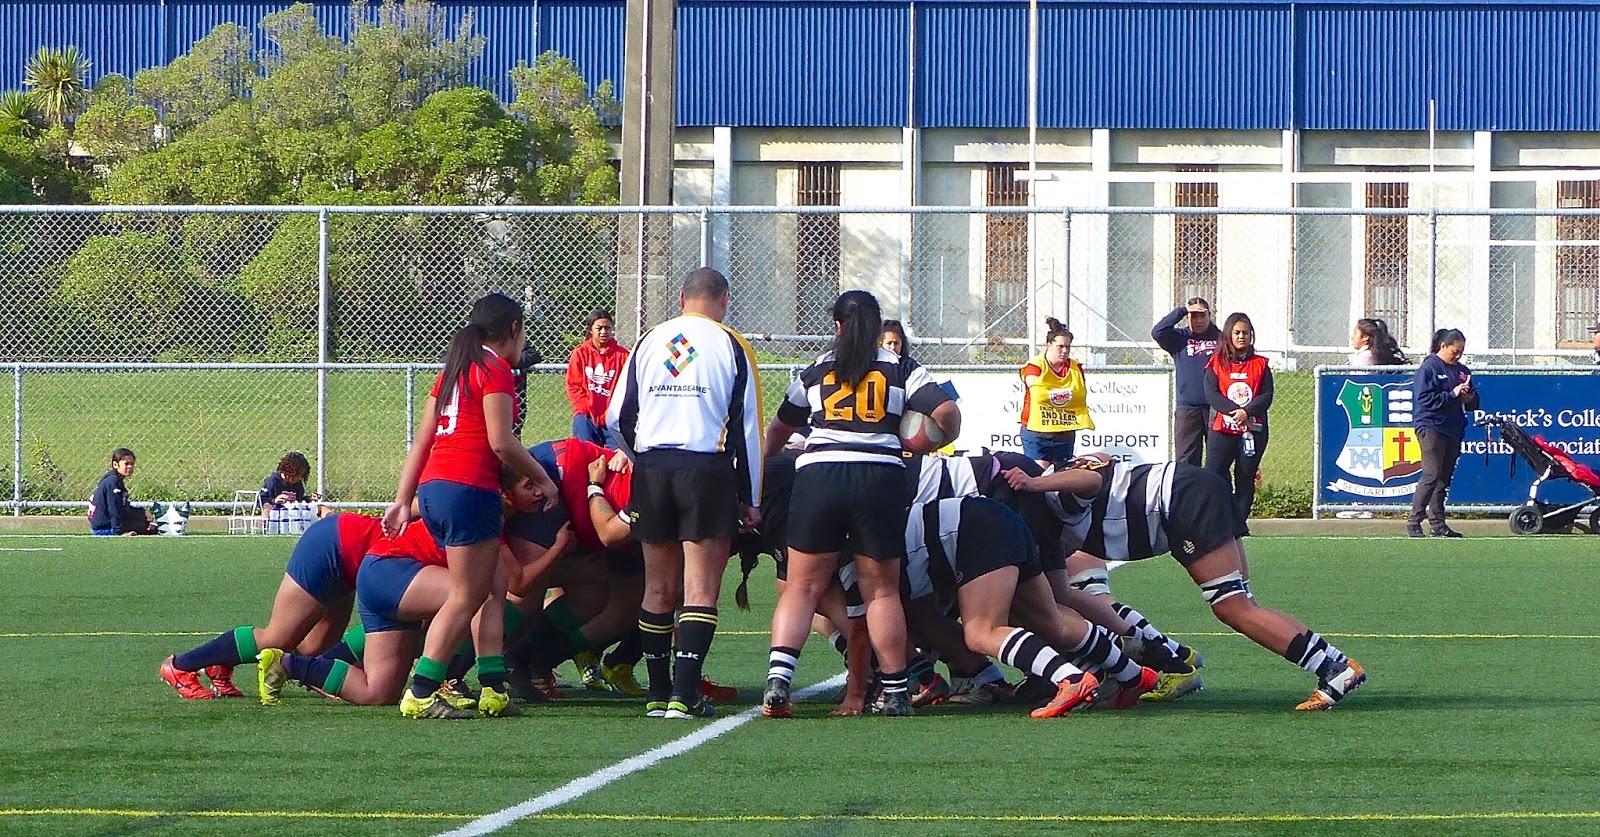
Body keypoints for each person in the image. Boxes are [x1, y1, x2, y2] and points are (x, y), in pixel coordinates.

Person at [1004, 454, 1368, 711]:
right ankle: (1334, 662)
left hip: (1181, 501)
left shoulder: (1049, 497)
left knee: (1233, 608)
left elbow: (1091, 479)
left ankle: (1334, 669)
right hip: (1191, 491)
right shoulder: (1047, 525)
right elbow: (1059, 593)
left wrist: (1037, 483)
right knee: (1244, 602)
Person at [760, 289, 960, 719]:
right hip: (879, 478)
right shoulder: (901, 367)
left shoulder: (815, 369)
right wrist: (921, 441)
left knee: (802, 587)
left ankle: (779, 680)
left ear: (836, 325)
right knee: (882, 591)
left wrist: (763, 465)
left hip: (819, 475)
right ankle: (896, 693)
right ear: (876, 326)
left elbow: (778, 430)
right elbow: (947, 412)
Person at [384, 292, 560, 720]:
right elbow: (501, 442)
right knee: (467, 595)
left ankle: (493, 687)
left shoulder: (453, 371)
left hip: (437, 488)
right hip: (468, 488)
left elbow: (423, 439)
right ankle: (422, 690)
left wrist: (403, 499)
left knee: (494, 585)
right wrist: (542, 479)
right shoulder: (495, 369)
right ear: (514, 330)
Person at [606, 267, 764, 720]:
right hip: (706, 469)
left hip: (653, 468)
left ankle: (657, 694)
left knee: (657, 586)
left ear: (680, 299)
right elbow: (748, 428)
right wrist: (751, 496)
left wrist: (642, 460)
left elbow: (617, 418)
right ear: (724, 300)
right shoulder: (732, 343)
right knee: (699, 588)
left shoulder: (649, 339)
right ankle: (685, 693)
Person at [159, 512, 384, 700]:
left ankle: (219, 662)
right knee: (278, 639)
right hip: (335, 544)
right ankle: (180, 666)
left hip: (352, 560)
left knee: (314, 650)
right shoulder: (418, 506)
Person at [1409, 328, 1477, 539]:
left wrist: (1468, 398)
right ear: (1443, 346)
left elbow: (1473, 403)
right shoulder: (1429, 368)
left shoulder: (1462, 371)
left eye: (1461, 352)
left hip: (1453, 428)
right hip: (1431, 426)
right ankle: (1414, 521)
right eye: (1454, 351)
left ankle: (1438, 524)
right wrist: (1451, 394)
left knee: (1443, 478)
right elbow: (1425, 400)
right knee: (1431, 474)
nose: (1457, 356)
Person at [1205, 312, 1273, 520]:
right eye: (1236, 332)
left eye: (1245, 332)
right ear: (1228, 335)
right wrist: (1234, 412)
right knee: (1214, 475)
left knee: (1245, 478)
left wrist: (1247, 412)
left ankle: (1238, 524)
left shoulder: (1261, 364)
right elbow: (1211, 394)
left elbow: (1267, 395)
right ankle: (1219, 520)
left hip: (1252, 432)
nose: (1241, 336)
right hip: (1222, 432)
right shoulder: (1216, 363)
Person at [1152, 297, 1221, 467]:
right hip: (1188, 409)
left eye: (1202, 315)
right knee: (1186, 463)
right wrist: (1182, 310)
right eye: (1193, 316)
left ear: (1209, 316)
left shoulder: (1220, 338)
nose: (1198, 320)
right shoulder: (1179, 338)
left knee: (1218, 461)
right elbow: (1157, 332)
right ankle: (1188, 493)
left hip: (1217, 408)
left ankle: (1218, 493)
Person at [1018, 317, 1094, 468]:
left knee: (1061, 475)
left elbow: (1079, 395)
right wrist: (1064, 392)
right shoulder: (1035, 366)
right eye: (1060, 346)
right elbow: (1037, 391)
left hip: (1064, 432)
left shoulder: (1075, 368)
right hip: (1037, 432)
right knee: (1039, 472)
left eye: (1068, 347)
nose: (1065, 351)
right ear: (1048, 345)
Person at [566, 310, 630, 446]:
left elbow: (627, 387)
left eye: (607, 328)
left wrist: (612, 412)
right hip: (586, 415)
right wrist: (588, 409)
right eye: (599, 328)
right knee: (585, 453)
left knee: (616, 457)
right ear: (590, 330)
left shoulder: (622, 355)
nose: (603, 332)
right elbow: (573, 386)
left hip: (612, 416)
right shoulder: (580, 354)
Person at [88, 448, 154, 536]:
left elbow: (124, 508)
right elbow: (114, 509)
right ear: (115, 465)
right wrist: (119, 532)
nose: (130, 467)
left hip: (109, 523)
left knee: (145, 521)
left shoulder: (117, 480)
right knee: (149, 528)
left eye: (132, 464)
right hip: (105, 527)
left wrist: (143, 513)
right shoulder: (112, 482)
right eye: (126, 464)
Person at [259, 451, 321, 523]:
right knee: (267, 506)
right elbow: (261, 500)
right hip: (275, 515)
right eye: (296, 475)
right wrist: (274, 501)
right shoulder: (273, 481)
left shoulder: (298, 485)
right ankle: (266, 528)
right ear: (288, 471)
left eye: (301, 476)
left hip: (293, 515)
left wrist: (309, 499)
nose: (298, 478)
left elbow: (299, 501)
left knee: (320, 507)